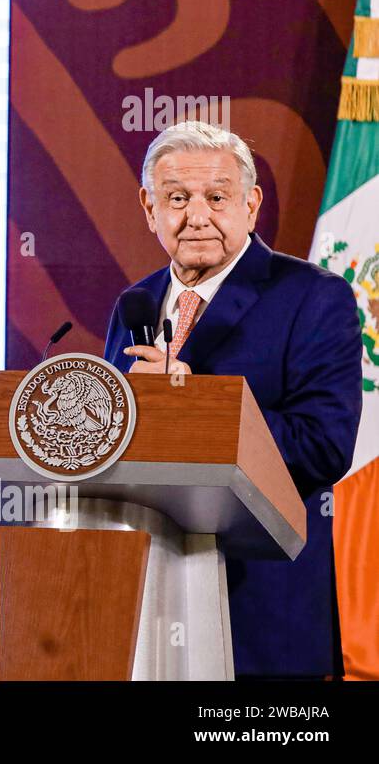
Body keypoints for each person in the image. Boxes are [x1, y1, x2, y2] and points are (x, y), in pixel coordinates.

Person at [103, 120, 362, 678]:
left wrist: (194, 405)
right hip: (142, 605)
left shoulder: (314, 298)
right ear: (150, 208)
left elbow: (324, 447)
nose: (196, 216)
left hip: (259, 611)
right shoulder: (136, 305)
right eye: (177, 198)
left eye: (216, 197)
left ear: (252, 204)